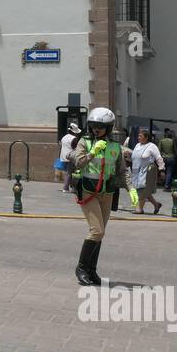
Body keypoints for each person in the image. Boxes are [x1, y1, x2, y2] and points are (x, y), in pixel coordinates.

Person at [71, 107, 128, 286]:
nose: (96, 129)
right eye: (94, 126)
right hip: (88, 191)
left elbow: (122, 170)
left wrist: (131, 189)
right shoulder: (84, 142)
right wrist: (92, 152)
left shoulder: (115, 146)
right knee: (97, 231)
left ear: (109, 128)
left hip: (107, 192)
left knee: (100, 234)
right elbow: (78, 162)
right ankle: (81, 268)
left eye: (100, 127)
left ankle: (91, 270)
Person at [131, 129, 165, 214]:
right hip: (136, 171)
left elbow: (158, 158)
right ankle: (156, 204)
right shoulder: (137, 145)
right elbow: (134, 157)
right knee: (143, 190)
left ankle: (139, 209)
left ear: (146, 138)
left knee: (142, 190)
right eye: (138, 136)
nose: (138, 137)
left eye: (140, 136)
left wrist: (162, 170)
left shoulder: (152, 146)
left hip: (146, 171)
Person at [57, 123, 80, 193]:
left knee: (67, 172)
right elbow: (75, 148)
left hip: (64, 156)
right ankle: (66, 188)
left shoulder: (64, 137)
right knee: (71, 173)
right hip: (71, 157)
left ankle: (70, 187)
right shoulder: (74, 138)